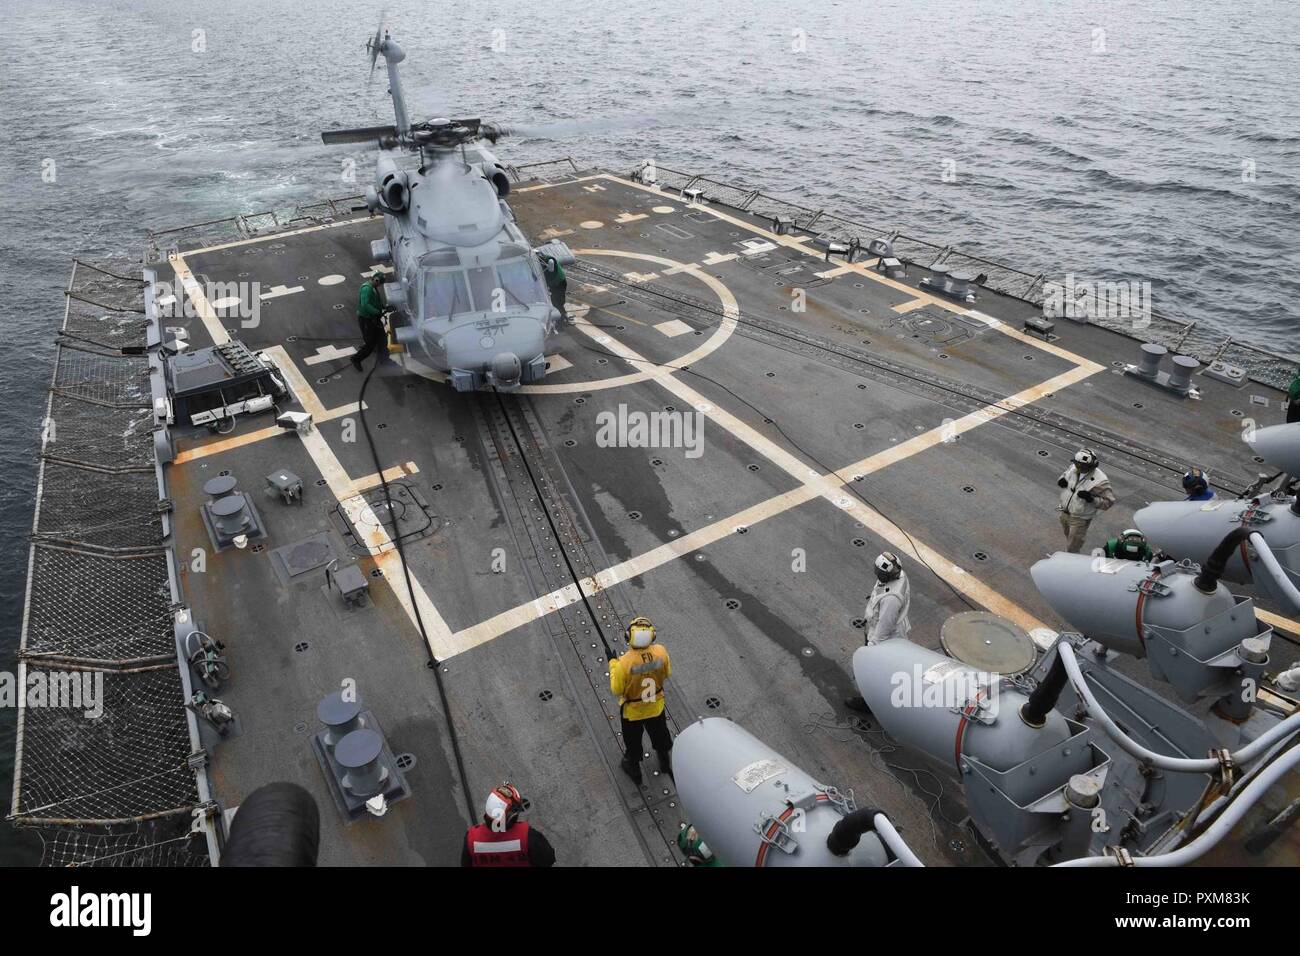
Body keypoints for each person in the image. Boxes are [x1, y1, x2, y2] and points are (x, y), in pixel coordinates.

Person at [844, 552, 912, 714]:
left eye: (881, 574)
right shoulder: (899, 576)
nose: (878, 576)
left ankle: (871, 703)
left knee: (874, 671)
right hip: (887, 630)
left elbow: (885, 626)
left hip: (885, 637)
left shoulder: (891, 598)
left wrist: (870, 648)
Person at [609, 616, 672, 784]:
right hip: (656, 705)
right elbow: (667, 673)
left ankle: (634, 770)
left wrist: (612, 663)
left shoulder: (624, 662)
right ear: (652, 636)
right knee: (660, 735)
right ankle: (664, 761)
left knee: (633, 742)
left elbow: (616, 689)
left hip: (633, 712)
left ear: (628, 637)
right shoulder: (661, 652)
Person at [460, 783, 556, 867]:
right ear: (510, 817)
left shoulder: (471, 838)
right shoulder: (529, 837)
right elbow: (548, 859)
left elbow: (466, 864)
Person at [1057, 449, 1115, 553]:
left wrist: (1091, 499)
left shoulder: (1100, 480)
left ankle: (1070, 563)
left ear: (1091, 466)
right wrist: (1062, 479)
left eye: (1082, 467)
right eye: (1077, 465)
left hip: (1080, 519)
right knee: (1069, 538)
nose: (1079, 468)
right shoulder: (1073, 468)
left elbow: (1108, 502)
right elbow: (1065, 474)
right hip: (1064, 513)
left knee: (1072, 547)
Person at [351, 271, 387, 370]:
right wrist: (377, 312)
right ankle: (356, 359)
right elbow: (365, 305)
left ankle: (384, 360)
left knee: (382, 339)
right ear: (376, 280)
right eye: (379, 283)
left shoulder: (373, 288)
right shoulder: (367, 289)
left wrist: (383, 307)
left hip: (373, 319)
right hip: (367, 320)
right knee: (370, 344)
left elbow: (375, 301)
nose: (379, 285)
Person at [539, 253, 568, 326]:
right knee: (557, 300)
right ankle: (563, 315)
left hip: (559, 283)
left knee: (557, 301)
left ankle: (562, 319)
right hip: (558, 282)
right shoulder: (545, 259)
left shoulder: (549, 262)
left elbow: (550, 275)